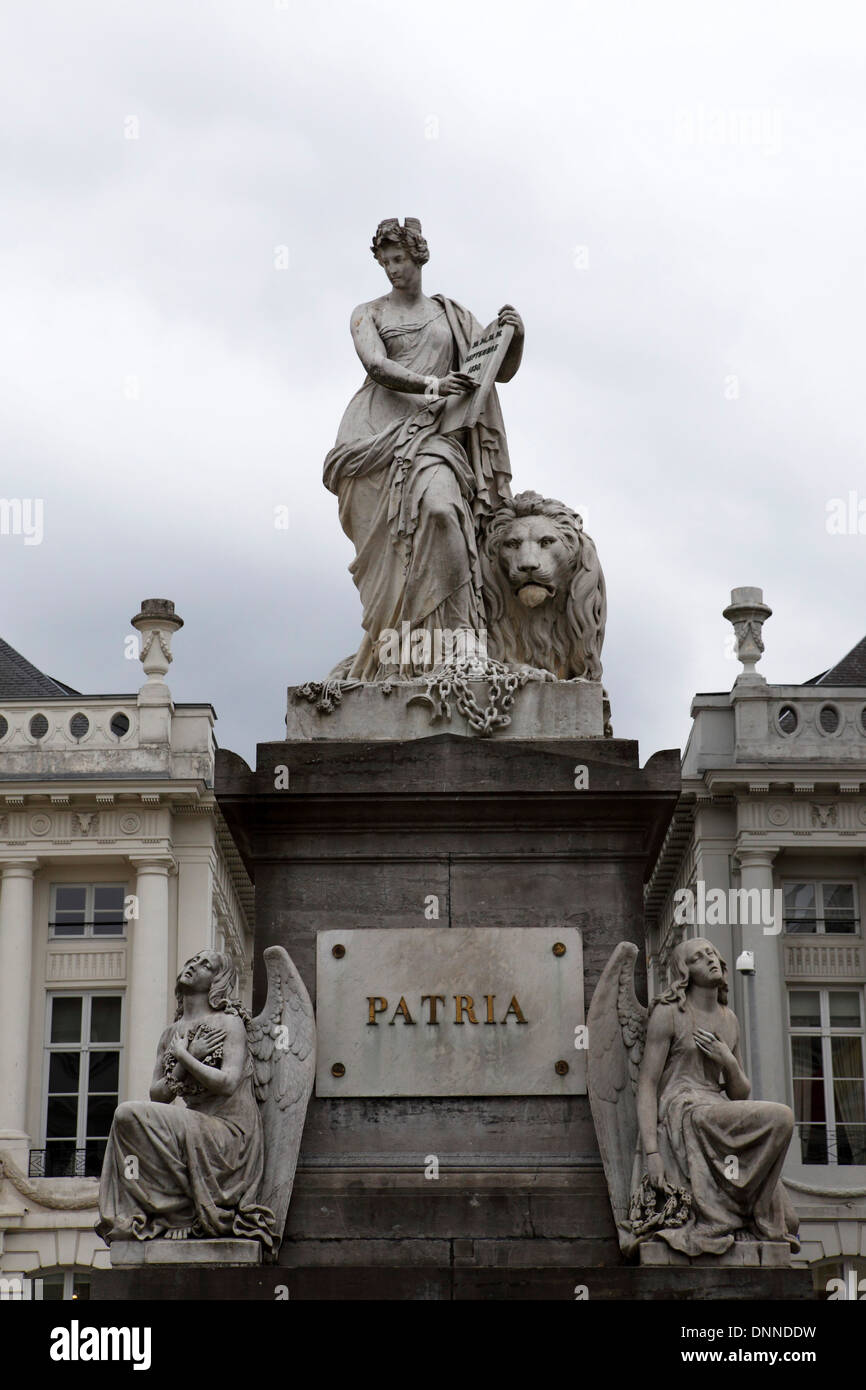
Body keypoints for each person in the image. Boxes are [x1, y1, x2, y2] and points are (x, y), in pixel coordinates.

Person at [323, 217, 524, 679]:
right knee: (388, 550)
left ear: (419, 257)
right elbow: (375, 365)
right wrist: (433, 384)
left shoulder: (450, 314)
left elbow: (500, 372)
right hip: (372, 437)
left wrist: (516, 336)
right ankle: (394, 645)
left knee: (440, 511)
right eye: (385, 262)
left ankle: (460, 643)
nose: (393, 269)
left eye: (399, 260)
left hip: (435, 437)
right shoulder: (368, 312)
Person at [96, 951, 275, 1250]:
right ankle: (174, 1212)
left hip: (230, 1136)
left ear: (217, 980)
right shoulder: (171, 1034)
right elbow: (158, 1095)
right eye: (192, 960)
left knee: (131, 1115)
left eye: (205, 964)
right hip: (195, 1127)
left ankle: (179, 1213)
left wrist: (186, 1056)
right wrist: (183, 1060)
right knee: (126, 1118)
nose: (193, 965)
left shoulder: (229, 1024)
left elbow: (228, 1083)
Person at [636, 937, 799, 1257]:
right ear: (684, 971)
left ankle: (746, 1207)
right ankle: (718, 1216)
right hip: (682, 1106)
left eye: (711, 952)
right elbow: (647, 1083)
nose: (710, 959)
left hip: (716, 1103)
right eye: (698, 957)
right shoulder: (669, 1013)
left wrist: (727, 1060)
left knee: (781, 1121)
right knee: (778, 1116)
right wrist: (652, 1151)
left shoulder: (729, 1019)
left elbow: (740, 1091)